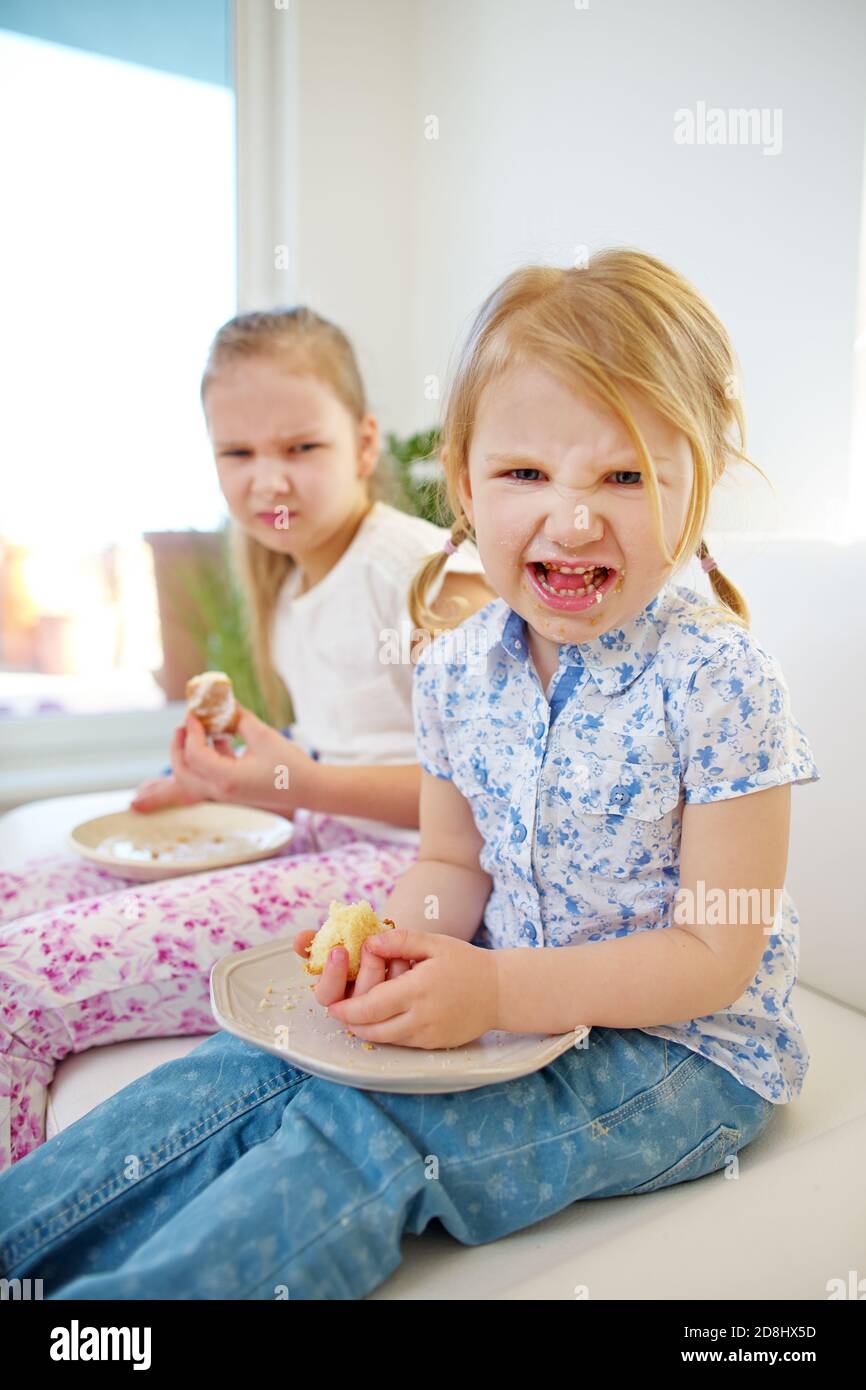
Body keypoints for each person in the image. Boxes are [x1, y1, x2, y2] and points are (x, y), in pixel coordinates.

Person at [0, 249, 818, 1300]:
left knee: (363, 1127)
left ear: (695, 481)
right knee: (252, 1061)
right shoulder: (457, 667)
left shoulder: (719, 678)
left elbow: (713, 955)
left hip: (681, 1055)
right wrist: (398, 941)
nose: (571, 519)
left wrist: (493, 987)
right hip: (512, 999)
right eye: (524, 475)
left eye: (623, 476)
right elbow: (447, 864)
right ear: (465, 482)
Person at [0, 307, 491, 1170]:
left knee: (19, 977)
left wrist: (294, 783)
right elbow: (350, 736)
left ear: (365, 445)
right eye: (239, 453)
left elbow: (496, 792)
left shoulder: (418, 575)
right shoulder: (298, 580)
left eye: (302, 448)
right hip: (322, 833)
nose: (270, 479)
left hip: (410, 869)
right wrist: (212, 781)